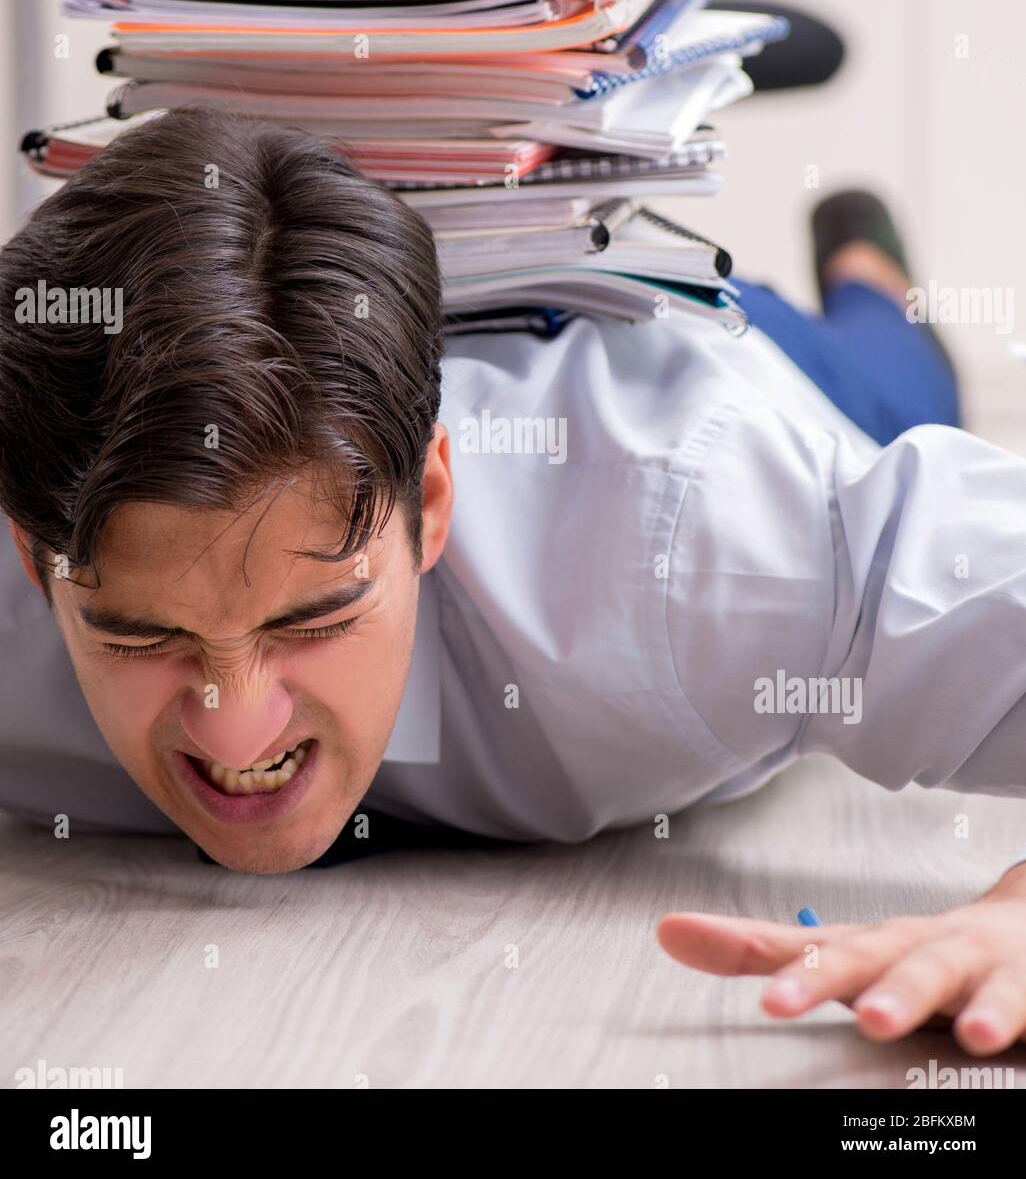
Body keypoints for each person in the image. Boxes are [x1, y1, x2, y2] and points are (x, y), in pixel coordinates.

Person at [1, 106, 1023, 1056]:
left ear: (432, 503)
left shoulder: (708, 532)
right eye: (143, 636)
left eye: (313, 618)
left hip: (707, 342)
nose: (236, 734)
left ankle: (862, 249)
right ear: (28, 556)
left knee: (904, 375)